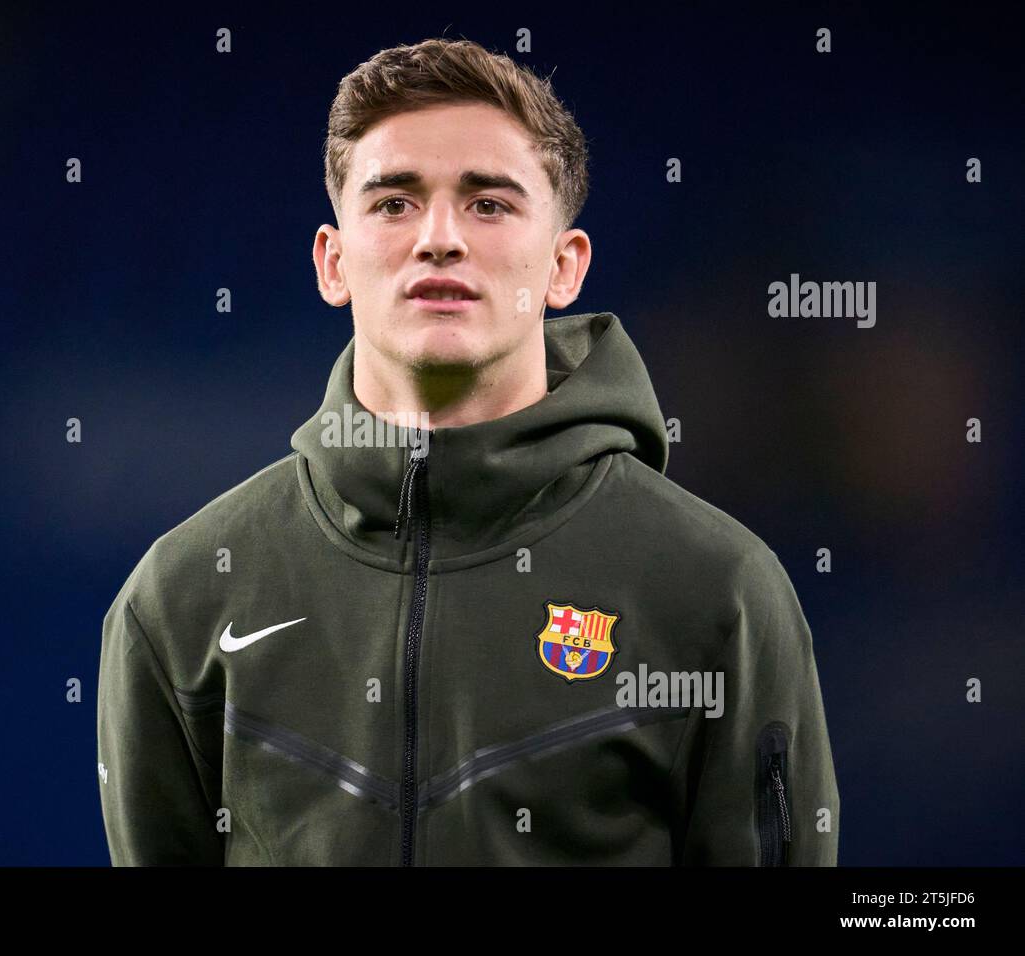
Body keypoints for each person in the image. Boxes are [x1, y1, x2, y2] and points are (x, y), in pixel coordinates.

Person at [96, 37, 839, 866]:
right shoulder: (185, 595)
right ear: (332, 262)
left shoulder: (717, 591)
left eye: (488, 203)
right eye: (393, 202)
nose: (440, 238)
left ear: (565, 266)